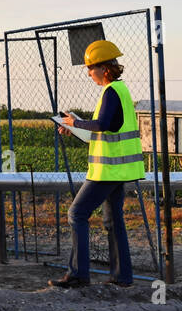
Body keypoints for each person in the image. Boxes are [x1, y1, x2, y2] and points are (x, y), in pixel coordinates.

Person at [49, 40, 145, 288]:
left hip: (107, 171)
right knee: (113, 221)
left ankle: (79, 275)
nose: (89, 73)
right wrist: (77, 129)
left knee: (77, 213)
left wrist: (75, 123)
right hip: (118, 169)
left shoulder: (111, 91)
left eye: (91, 68)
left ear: (105, 68)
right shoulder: (119, 91)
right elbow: (108, 130)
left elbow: (101, 124)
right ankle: (122, 277)